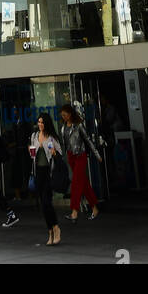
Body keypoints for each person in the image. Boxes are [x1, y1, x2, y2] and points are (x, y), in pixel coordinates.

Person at [59, 103, 100, 222]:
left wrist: (96, 154)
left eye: (65, 115)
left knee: (76, 182)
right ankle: (94, 208)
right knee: (84, 183)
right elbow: (64, 144)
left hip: (80, 155)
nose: (64, 117)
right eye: (62, 115)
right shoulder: (63, 128)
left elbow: (88, 140)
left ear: (70, 114)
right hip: (71, 156)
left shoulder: (78, 126)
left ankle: (74, 211)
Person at [28, 113, 63, 245]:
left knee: (47, 202)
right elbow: (32, 154)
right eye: (39, 122)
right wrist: (31, 151)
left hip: (49, 172)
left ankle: (56, 228)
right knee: (43, 205)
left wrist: (54, 153)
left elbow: (60, 154)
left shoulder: (52, 138)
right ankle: (50, 231)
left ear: (46, 123)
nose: (40, 124)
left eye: (42, 122)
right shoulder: (34, 136)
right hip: (38, 172)